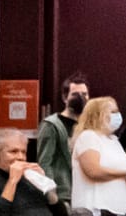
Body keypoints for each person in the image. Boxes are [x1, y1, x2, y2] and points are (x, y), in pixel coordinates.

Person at [69, 98, 126, 216]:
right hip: (97, 212)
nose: (117, 115)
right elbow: (93, 171)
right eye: (112, 112)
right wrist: (125, 173)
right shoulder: (88, 137)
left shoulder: (113, 140)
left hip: (122, 212)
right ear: (98, 115)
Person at [35, 72, 90, 206]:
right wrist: (51, 194)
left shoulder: (89, 126)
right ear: (65, 98)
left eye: (84, 94)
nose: (81, 98)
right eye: (75, 95)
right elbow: (45, 162)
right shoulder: (51, 125)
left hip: (85, 192)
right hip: (63, 193)